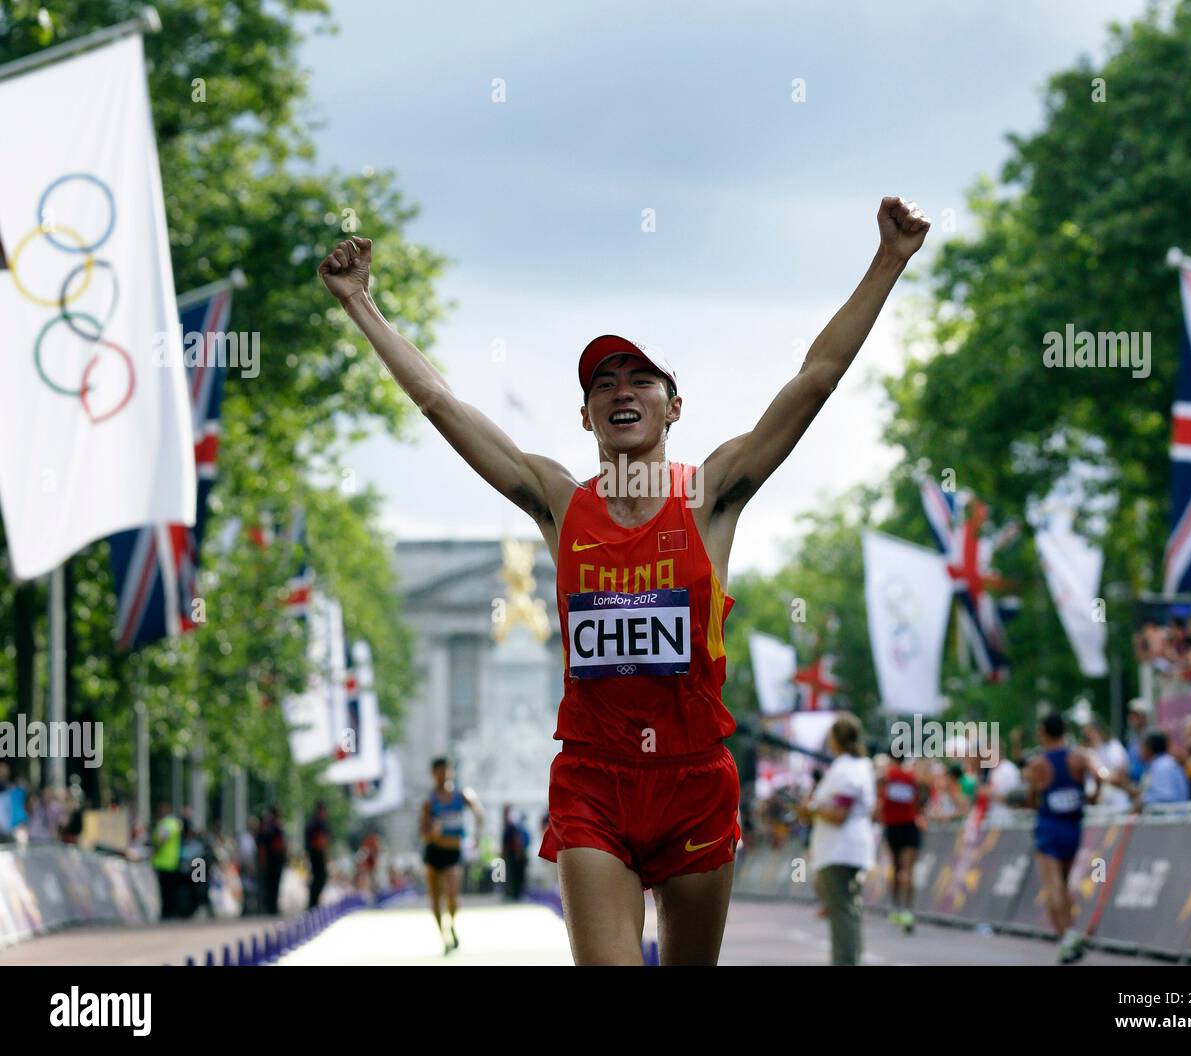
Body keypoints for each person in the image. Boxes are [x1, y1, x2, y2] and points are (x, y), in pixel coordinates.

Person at [318, 195, 931, 965]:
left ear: (673, 407)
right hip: (593, 782)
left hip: (695, 780)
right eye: (604, 382)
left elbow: (816, 379)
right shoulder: (559, 501)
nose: (622, 391)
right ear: (586, 417)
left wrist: (888, 260)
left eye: (641, 379)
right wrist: (360, 304)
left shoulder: (711, 495)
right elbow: (440, 403)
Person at [1023, 712, 1102, 964]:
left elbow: (1031, 798)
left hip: (1049, 825)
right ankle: (1069, 934)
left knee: (1053, 884)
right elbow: (1100, 776)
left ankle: (1068, 935)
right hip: (1073, 826)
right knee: (1064, 883)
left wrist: (1033, 804)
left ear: (1043, 733)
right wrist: (1092, 798)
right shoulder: (1079, 757)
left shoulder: (1038, 763)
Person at [799, 715, 876, 965]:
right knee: (849, 910)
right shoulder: (860, 765)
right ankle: (849, 958)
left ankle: (845, 961)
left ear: (835, 739)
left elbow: (839, 814)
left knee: (842, 912)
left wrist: (812, 808)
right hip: (852, 847)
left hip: (839, 850)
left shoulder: (845, 769)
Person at [420, 757, 484, 953]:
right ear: (433, 775)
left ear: (450, 772)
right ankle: (443, 937)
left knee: (453, 896)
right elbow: (422, 832)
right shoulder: (429, 802)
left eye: (445, 771)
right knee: (436, 898)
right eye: (438, 772)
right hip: (434, 852)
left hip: (453, 851)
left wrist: (476, 836)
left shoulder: (462, 795)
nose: (442, 775)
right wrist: (432, 833)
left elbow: (479, 814)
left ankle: (452, 924)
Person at [875, 754, 923, 933]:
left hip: (893, 827)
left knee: (896, 869)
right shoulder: (911, 778)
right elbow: (918, 799)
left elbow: (879, 802)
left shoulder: (885, 777)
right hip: (909, 826)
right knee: (908, 870)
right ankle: (908, 910)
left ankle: (896, 908)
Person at [150, 802, 183, 919]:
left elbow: (161, 838)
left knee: (165, 891)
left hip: (163, 862)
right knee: (171, 890)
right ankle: (171, 912)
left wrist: (155, 847)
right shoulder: (174, 823)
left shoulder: (166, 824)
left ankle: (167, 913)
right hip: (172, 861)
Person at [257, 807, 287, 915]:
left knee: (271, 885)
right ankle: (271, 907)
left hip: (272, 861)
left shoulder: (269, 827)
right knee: (272, 885)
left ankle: (270, 906)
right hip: (274, 860)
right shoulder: (274, 828)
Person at [305, 800, 331, 909]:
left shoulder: (312, 822)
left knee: (317, 878)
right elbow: (321, 841)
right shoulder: (318, 823)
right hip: (317, 854)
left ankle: (313, 903)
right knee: (319, 878)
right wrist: (325, 855)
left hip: (314, 854)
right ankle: (313, 903)